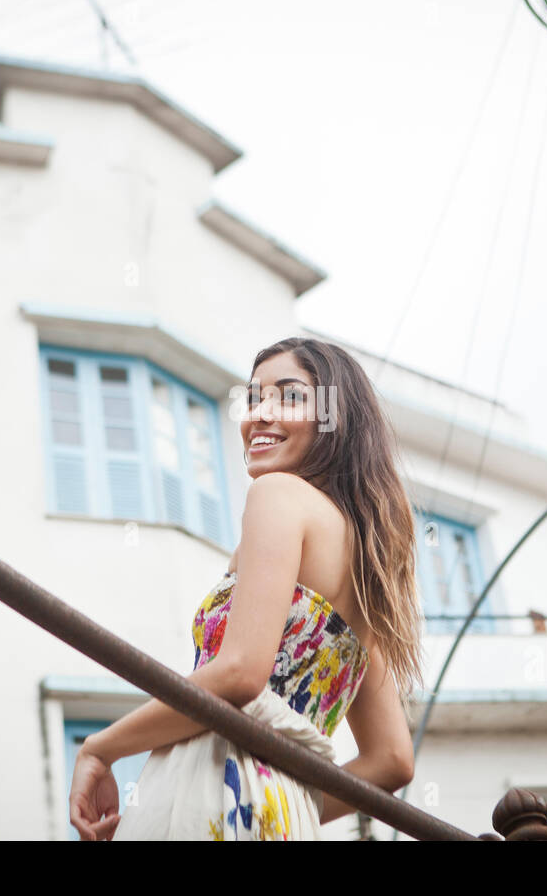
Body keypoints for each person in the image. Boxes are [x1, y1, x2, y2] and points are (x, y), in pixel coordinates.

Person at [68, 337, 424, 840]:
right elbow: (392, 760)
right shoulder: (367, 569)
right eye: (254, 399)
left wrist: (100, 748)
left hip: (222, 794)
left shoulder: (277, 495)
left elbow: (239, 673)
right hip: (279, 815)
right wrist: (280, 795)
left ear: (335, 418)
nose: (260, 414)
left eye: (290, 396)